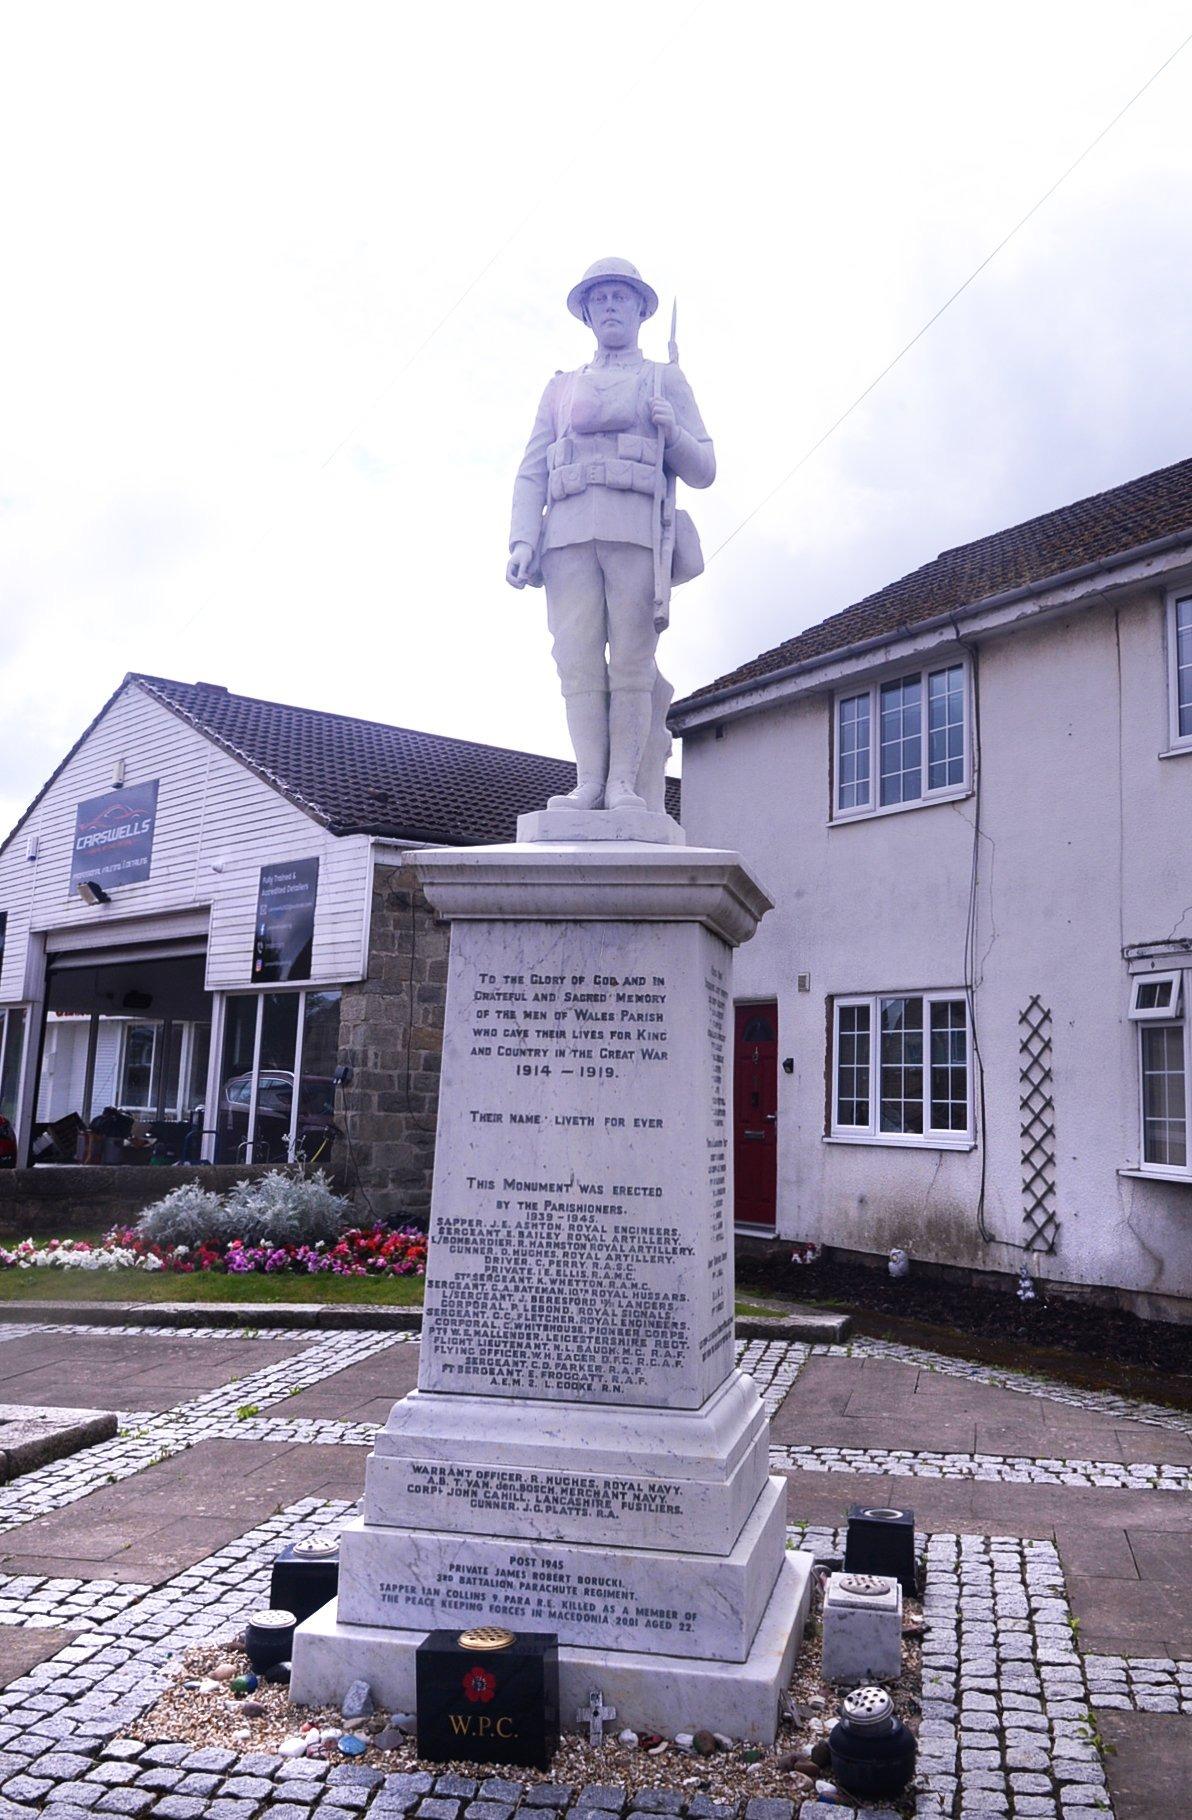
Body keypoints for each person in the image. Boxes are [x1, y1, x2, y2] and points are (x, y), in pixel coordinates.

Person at [507, 257, 715, 813]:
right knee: (575, 661)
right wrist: (523, 540)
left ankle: (623, 782)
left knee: (631, 661)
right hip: (568, 538)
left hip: (635, 535)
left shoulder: (663, 378)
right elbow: (531, 468)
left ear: (641, 309)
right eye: (599, 299)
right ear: (586, 314)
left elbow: (704, 468)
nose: (610, 307)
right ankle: (589, 783)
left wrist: (671, 431)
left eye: (621, 297)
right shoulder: (561, 388)